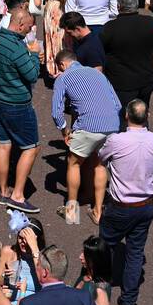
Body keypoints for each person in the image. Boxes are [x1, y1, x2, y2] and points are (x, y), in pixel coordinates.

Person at [97, 100, 153, 305]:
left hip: (120, 206)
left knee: (105, 248)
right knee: (135, 253)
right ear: (148, 116)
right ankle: (128, 301)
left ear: (126, 115)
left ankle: (99, 294)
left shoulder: (116, 140)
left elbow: (102, 158)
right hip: (145, 206)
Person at [51, 48, 121, 225]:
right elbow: (117, 104)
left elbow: (57, 112)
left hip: (88, 126)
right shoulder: (97, 73)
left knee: (73, 163)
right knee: (100, 165)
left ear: (62, 64)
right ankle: (98, 211)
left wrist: (65, 131)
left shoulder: (63, 77)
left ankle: (72, 211)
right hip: (112, 125)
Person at [0, 4, 42, 213]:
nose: (30, 31)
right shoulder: (17, 49)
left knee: (4, 145)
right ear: (20, 25)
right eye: (29, 27)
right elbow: (32, 75)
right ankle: (17, 195)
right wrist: (34, 54)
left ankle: (3, 190)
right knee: (31, 147)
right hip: (18, 104)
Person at [100, 0, 153, 111]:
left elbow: (101, 55)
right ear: (137, 4)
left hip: (119, 84)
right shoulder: (151, 23)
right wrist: (150, 66)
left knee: (121, 118)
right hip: (145, 82)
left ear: (118, 6)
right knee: (141, 116)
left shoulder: (109, 28)